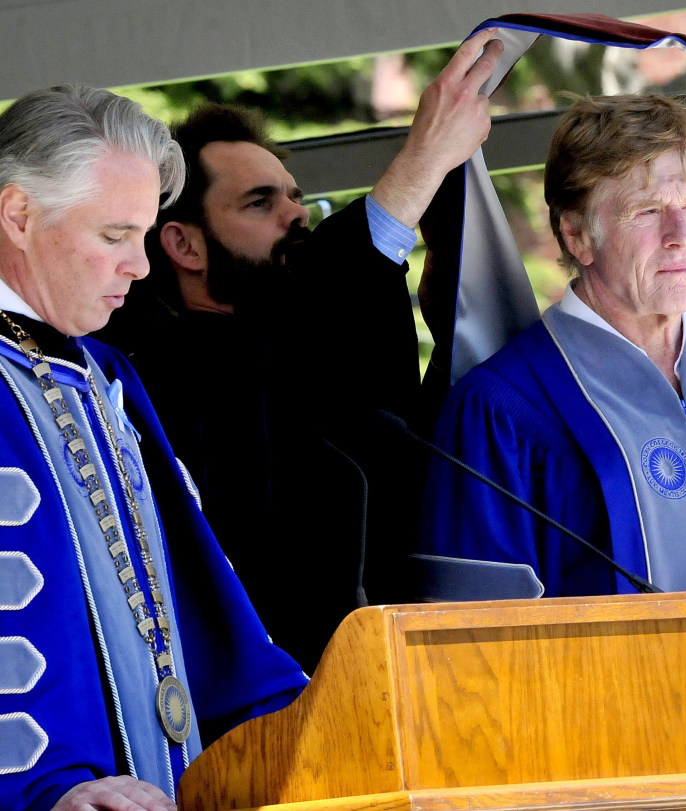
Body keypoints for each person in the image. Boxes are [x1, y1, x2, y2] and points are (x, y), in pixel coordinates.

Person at [418, 92, 686, 776]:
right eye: (646, 212)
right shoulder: (502, 411)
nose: (680, 234)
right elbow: (477, 674)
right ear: (575, 235)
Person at [94, 28, 504, 675]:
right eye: (260, 202)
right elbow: (305, 317)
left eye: (295, 196)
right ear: (185, 245)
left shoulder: (300, 354)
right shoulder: (151, 375)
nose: (296, 216)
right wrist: (420, 159)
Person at [0, 86, 307, 811]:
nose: (140, 266)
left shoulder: (106, 374)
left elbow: (192, 585)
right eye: (115, 235)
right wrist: (41, 796)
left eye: (144, 235)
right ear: (17, 215)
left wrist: (295, 715)